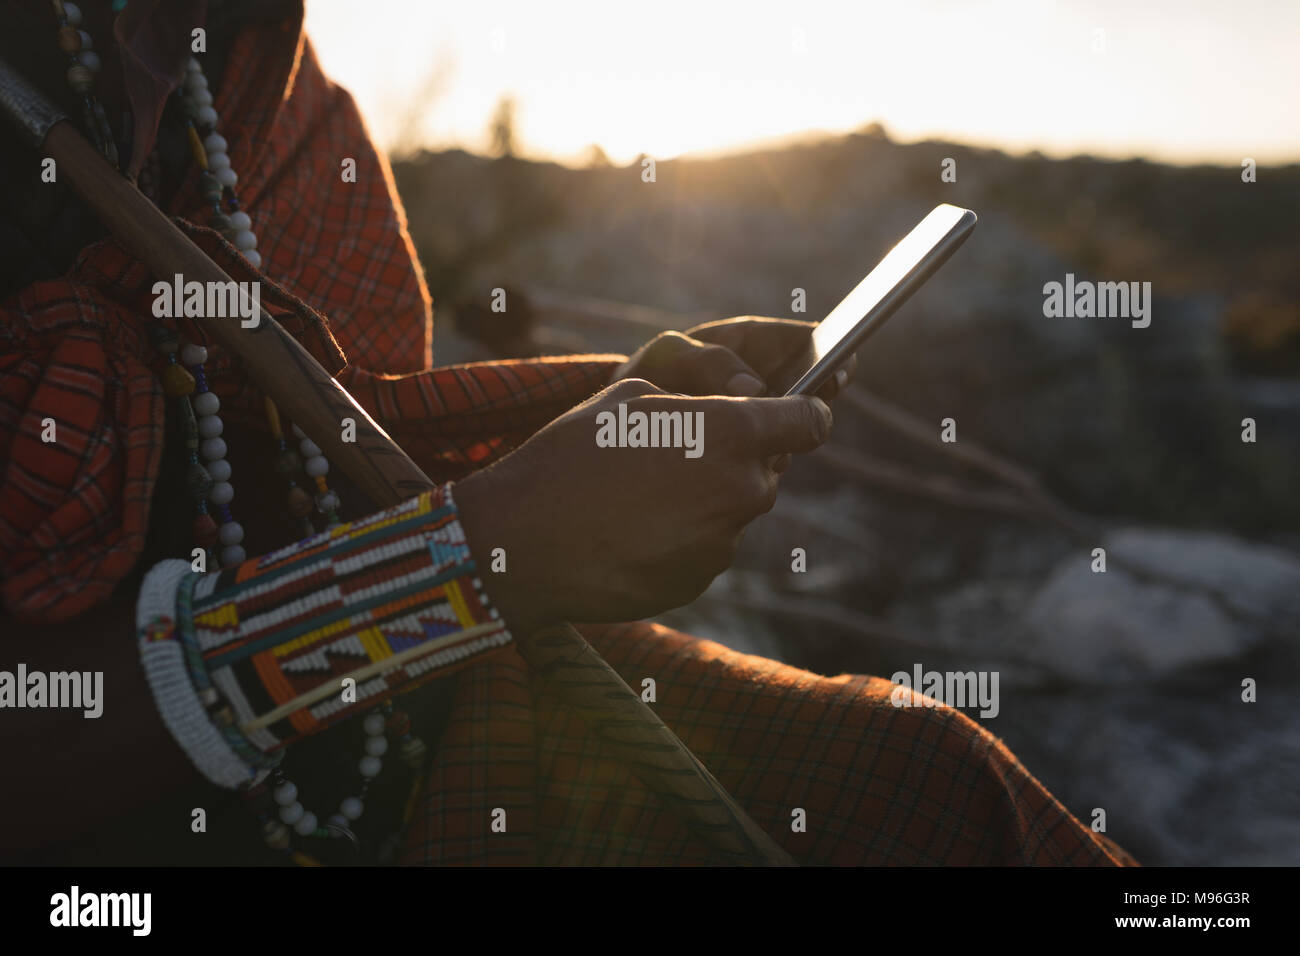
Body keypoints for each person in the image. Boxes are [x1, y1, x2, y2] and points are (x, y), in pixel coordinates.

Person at [0, 0, 1133, 866]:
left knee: (929, 784)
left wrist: (592, 436)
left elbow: (319, 439)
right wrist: (476, 559)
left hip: (425, 708)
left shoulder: (246, 75)